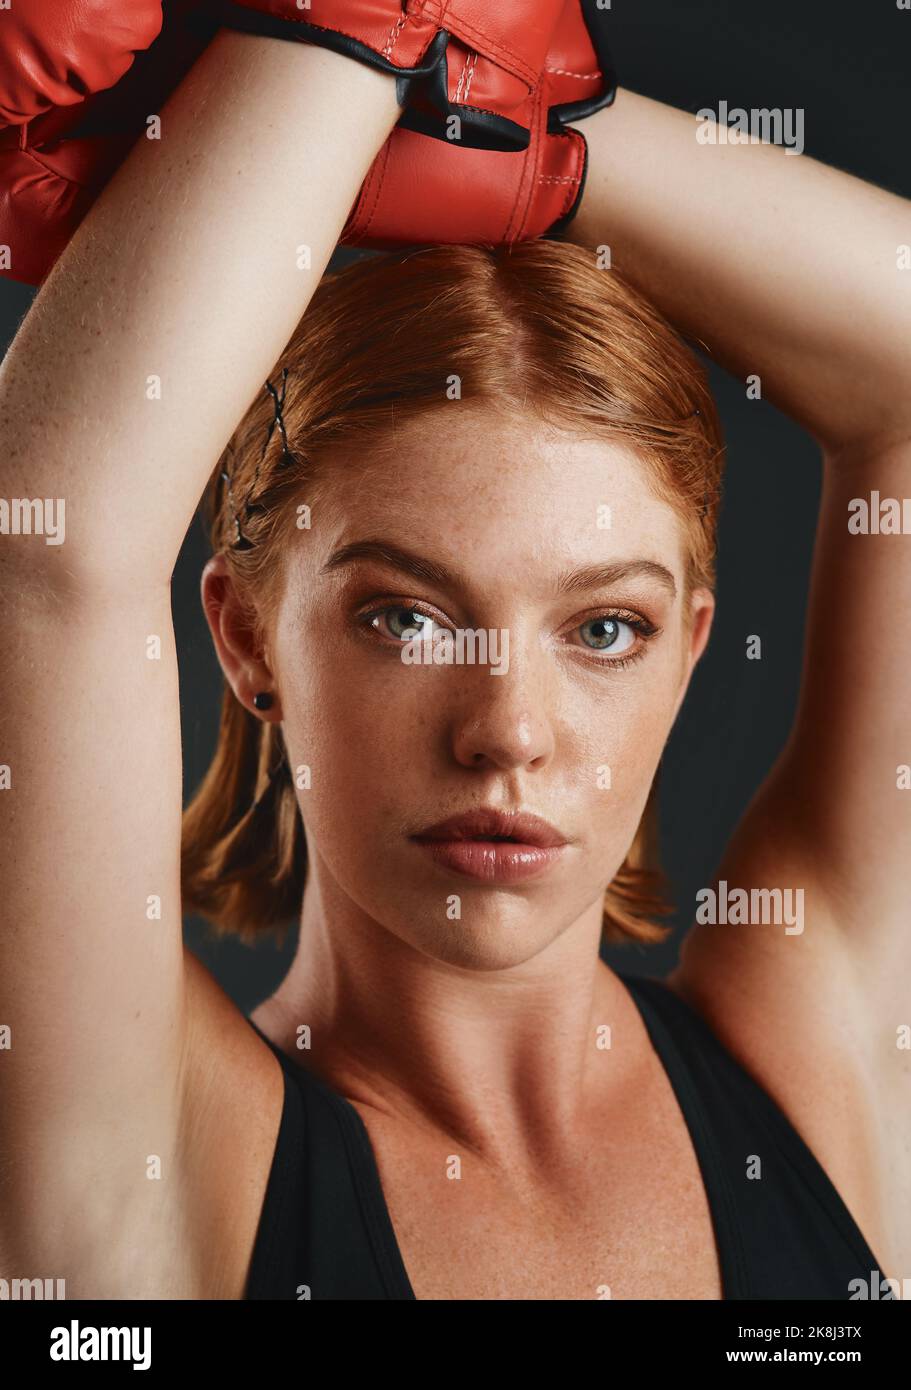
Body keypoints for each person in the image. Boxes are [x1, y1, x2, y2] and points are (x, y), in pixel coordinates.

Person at [0, 25, 908, 1302]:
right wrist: (368, 50)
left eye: (603, 629)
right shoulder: (140, 1161)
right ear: (247, 635)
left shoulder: (818, 1066)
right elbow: (49, 548)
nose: (508, 731)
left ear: (691, 644)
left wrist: (518, 135)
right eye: (404, 618)